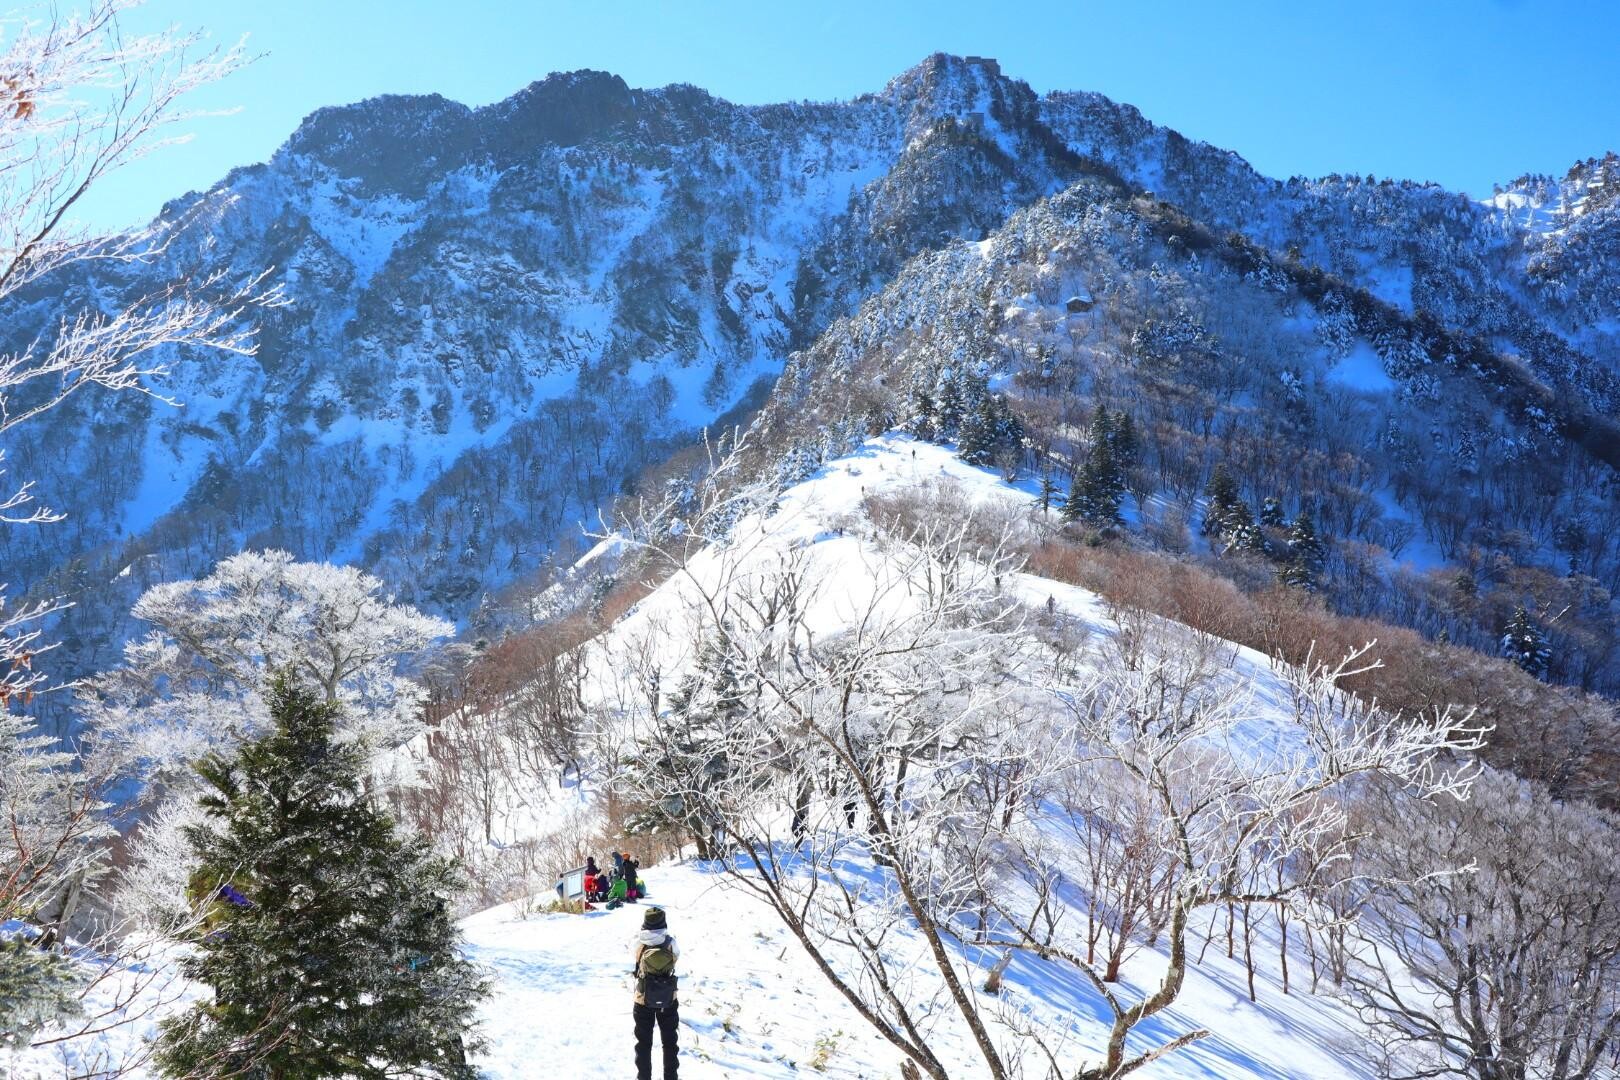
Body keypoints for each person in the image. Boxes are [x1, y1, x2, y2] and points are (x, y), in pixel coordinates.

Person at [631, 907, 679, 1080]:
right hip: (668, 998)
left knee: (643, 1044)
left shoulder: (638, 943)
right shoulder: (670, 943)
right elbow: (675, 958)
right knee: (670, 1043)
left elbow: (635, 959)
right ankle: (671, 1077)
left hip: (643, 998)